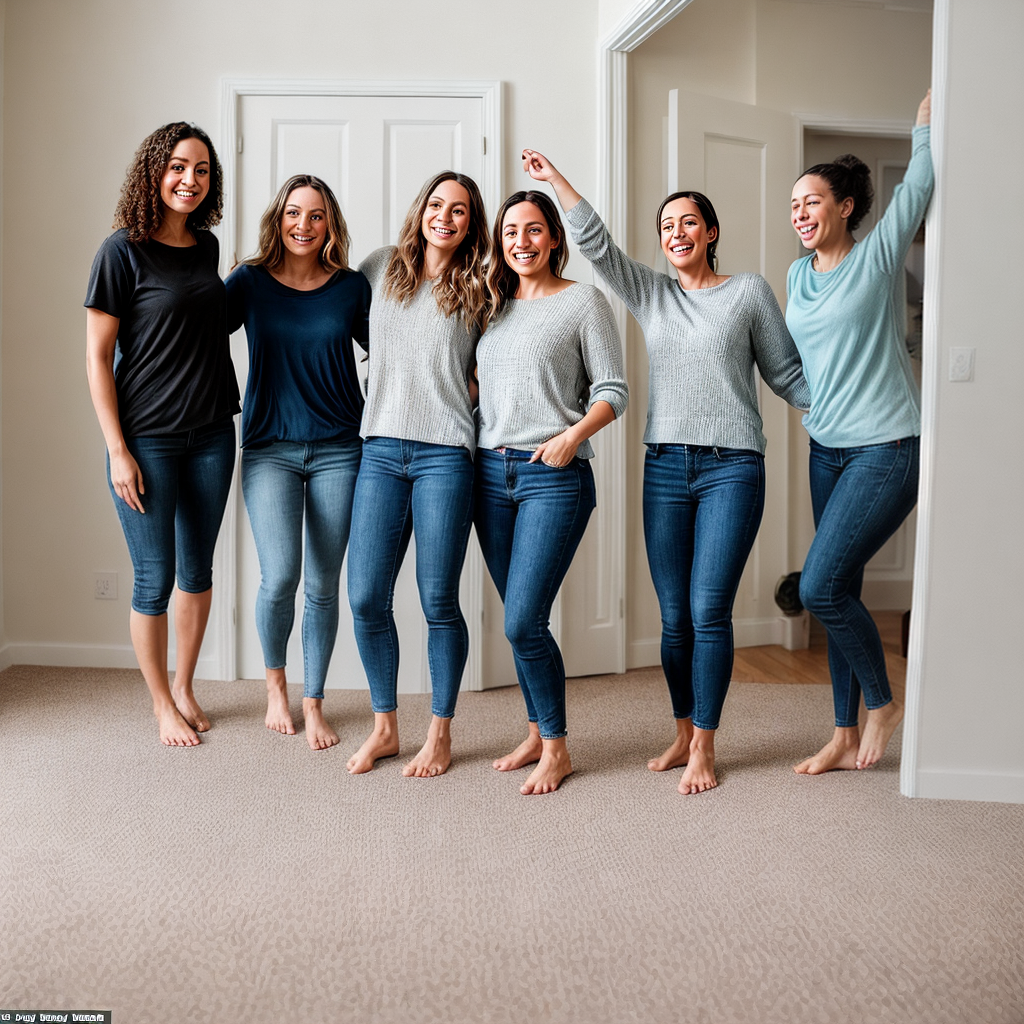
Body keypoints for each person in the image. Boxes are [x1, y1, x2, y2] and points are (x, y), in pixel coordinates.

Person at [522, 149, 810, 794]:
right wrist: (556, 180)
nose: (676, 233)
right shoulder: (651, 294)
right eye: (666, 226)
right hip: (665, 470)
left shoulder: (748, 292)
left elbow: (788, 374)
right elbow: (597, 248)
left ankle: (705, 743)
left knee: (709, 610)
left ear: (711, 232)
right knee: (674, 615)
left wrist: (842, 415)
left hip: (733, 468)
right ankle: (683, 731)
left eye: (688, 223)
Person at [787, 91, 933, 775]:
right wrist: (809, 401)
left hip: (886, 447)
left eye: (812, 201)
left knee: (819, 587)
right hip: (827, 450)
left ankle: (883, 703)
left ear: (845, 206)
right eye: (794, 205)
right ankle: (843, 734)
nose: (800, 214)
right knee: (840, 585)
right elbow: (804, 361)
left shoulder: (875, 258)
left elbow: (918, 187)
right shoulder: (797, 274)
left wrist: (923, 125)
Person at [85, 122, 239, 747]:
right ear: (155, 171)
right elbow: (98, 358)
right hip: (146, 439)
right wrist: (117, 450)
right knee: (155, 577)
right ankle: (160, 705)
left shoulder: (206, 247)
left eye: (201, 170)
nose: (189, 180)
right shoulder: (120, 251)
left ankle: (184, 687)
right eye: (178, 166)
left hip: (212, 433)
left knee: (198, 571)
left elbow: (202, 326)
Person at [475, 190, 628, 795]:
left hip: (552, 475)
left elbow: (613, 390)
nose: (522, 241)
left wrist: (572, 438)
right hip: (488, 477)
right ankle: (537, 733)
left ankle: (558, 748)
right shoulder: (490, 305)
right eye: (511, 231)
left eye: (534, 229)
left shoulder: (583, 301)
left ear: (555, 238)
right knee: (522, 619)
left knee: (522, 621)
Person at [345, 171, 489, 778]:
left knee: (437, 600)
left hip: (445, 456)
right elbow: (330, 312)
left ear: (471, 223)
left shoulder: (482, 285)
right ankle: (384, 727)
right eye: (437, 205)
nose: (445, 217)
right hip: (379, 449)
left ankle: (440, 732)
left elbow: (496, 366)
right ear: (421, 209)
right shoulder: (380, 267)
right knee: (365, 596)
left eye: (459, 210)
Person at [226, 175, 371, 750]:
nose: (303, 225)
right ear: (278, 219)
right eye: (293, 213)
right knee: (281, 575)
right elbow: (191, 332)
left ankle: (314, 702)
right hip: (269, 449)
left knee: (323, 584)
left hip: (341, 448)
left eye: (315, 215)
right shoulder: (248, 282)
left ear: (329, 223)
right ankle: (275, 689)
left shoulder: (352, 287)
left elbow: (396, 351)